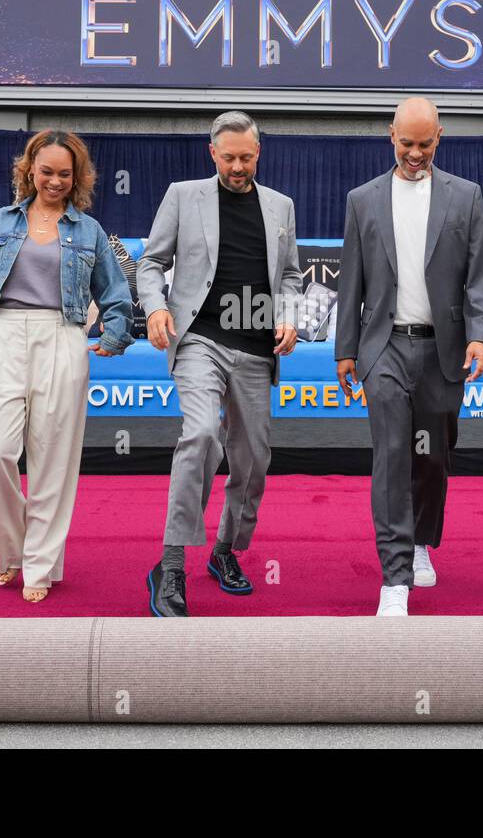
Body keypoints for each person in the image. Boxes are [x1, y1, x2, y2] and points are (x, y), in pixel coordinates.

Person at [0, 130, 134, 603]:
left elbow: (115, 292)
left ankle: (38, 565)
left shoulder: (88, 231)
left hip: (62, 336)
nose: (55, 181)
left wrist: (114, 333)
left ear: (78, 177)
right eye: (47, 171)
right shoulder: (1, 223)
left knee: (53, 463)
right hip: (1, 333)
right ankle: (10, 551)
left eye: (66, 174)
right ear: (29, 170)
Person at [335, 97, 483, 617]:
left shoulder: (466, 196)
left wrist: (479, 335)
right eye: (407, 143)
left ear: (439, 139)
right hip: (383, 346)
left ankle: (423, 538)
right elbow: (351, 283)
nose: (415, 153)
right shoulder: (362, 200)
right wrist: (345, 352)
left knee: (433, 455)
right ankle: (394, 575)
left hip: (443, 349)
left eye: (425, 144)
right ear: (391, 136)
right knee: (390, 457)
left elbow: (481, 276)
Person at [137, 111, 301, 617]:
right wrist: (156, 306)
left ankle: (225, 551)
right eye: (228, 157)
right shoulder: (183, 195)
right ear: (212, 153)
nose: (237, 166)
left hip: (256, 350)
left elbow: (292, 275)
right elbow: (150, 263)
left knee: (252, 461)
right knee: (203, 434)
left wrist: (290, 315)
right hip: (200, 340)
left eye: (246, 157)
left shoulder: (280, 207)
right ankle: (170, 564)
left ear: (259, 153)